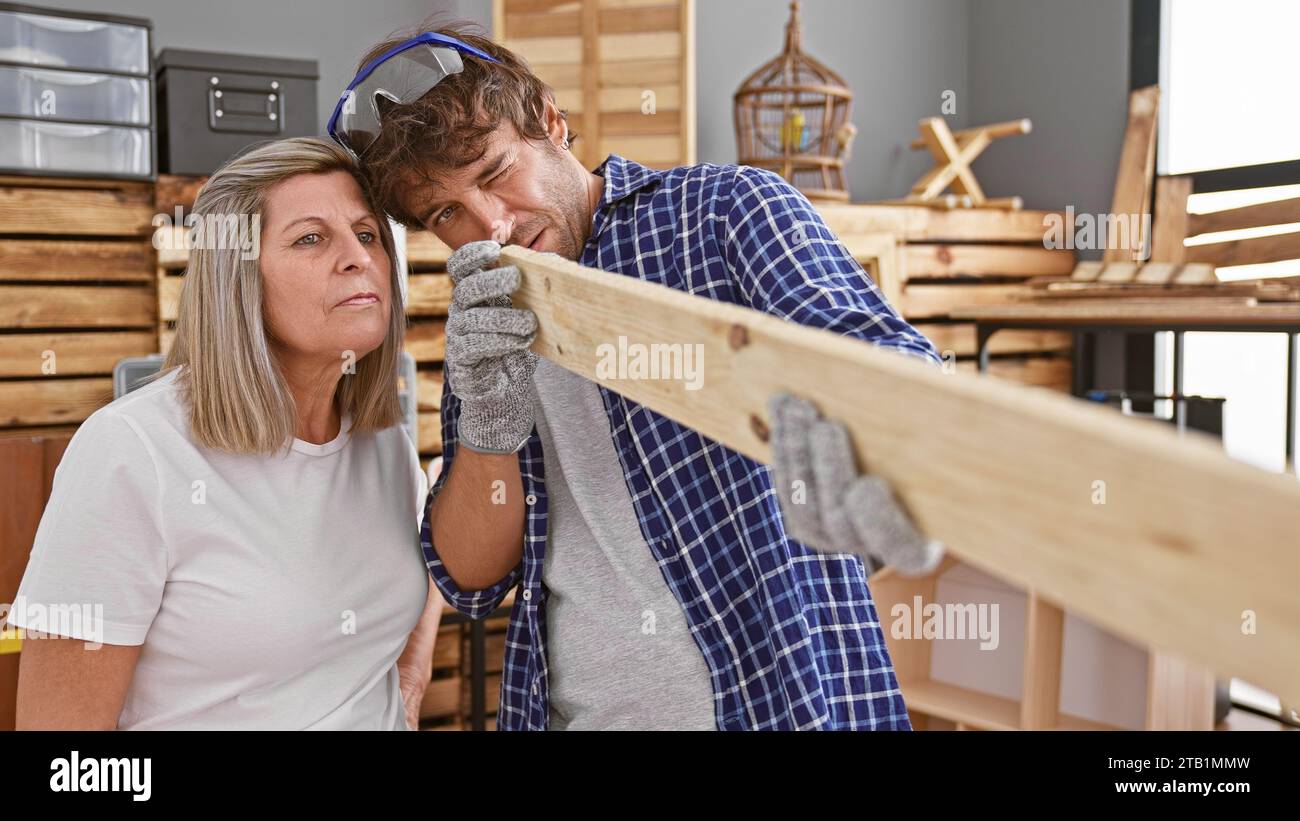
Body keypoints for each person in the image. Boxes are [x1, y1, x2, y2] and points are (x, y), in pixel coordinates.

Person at [332, 23, 943, 730]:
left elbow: (887, 365)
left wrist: (907, 460)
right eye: (447, 213)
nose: (491, 224)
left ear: (552, 121)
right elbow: (470, 580)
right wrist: (490, 429)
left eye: (496, 173)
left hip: (786, 708)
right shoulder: (490, 306)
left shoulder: (722, 213)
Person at [4, 137, 442, 730]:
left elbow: (413, 580)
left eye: (367, 235)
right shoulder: (130, 453)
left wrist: (408, 691)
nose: (357, 257)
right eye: (311, 238)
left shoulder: (381, 438)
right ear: (236, 280)